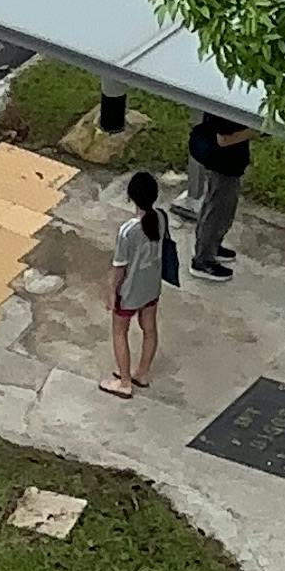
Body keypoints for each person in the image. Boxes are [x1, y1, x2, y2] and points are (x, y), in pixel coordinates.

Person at [102, 168, 167, 396]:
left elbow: (119, 267)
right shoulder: (160, 217)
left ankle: (124, 383)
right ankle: (143, 372)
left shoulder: (128, 231)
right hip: (151, 287)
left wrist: (112, 292)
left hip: (129, 291)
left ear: (130, 197)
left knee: (120, 331)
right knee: (149, 328)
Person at [183, 112, 253, 279]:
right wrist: (257, 131)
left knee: (213, 205)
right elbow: (224, 139)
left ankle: (209, 246)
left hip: (227, 163)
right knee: (219, 212)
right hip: (225, 165)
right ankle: (203, 260)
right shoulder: (226, 116)